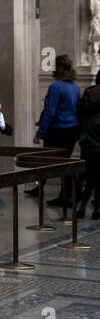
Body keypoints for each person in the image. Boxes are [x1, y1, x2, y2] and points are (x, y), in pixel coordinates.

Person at [34, 54, 82, 207]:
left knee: (57, 164)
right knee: (65, 162)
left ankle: (67, 194)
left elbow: (50, 111)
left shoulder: (56, 86)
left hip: (58, 131)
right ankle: (68, 194)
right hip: (73, 129)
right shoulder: (75, 86)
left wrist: (40, 133)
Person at [74, 71, 100, 219]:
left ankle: (82, 208)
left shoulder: (87, 119)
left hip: (89, 151)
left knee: (89, 181)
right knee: (99, 184)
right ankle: (97, 210)